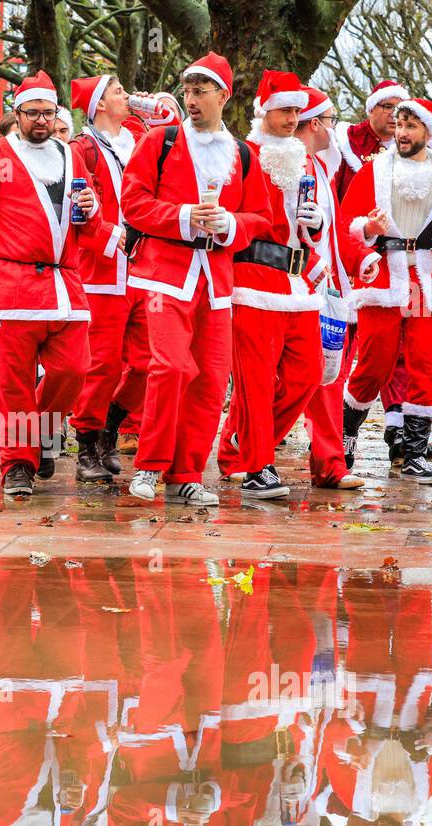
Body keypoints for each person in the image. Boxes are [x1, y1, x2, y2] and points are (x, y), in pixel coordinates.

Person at [121, 53, 271, 505]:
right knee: (168, 366)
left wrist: (229, 223)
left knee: (210, 377)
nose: (191, 99)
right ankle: (149, 465)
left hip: (217, 278)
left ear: (224, 96)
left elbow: (260, 217)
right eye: (187, 91)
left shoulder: (244, 153)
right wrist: (184, 216)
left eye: (201, 91)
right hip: (166, 273)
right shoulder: (159, 142)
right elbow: (133, 203)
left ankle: (186, 473)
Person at [0, 71, 107, 497]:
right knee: (13, 383)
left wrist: (92, 209)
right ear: (16, 114)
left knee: (74, 370)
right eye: (32, 113)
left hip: (66, 282)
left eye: (48, 113)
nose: (40, 121)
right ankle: (17, 464)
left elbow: (87, 226)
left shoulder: (72, 156)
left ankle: (44, 433)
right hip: (11, 284)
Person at [336, 98, 432, 484]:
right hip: (382, 280)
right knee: (374, 364)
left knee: (426, 367)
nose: (403, 133)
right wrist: (367, 230)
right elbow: (345, 225)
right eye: (399, 125)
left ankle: (414, 453)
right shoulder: (372, 172)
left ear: (429, 132)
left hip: (427, 281)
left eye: (411, 126)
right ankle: (346, 432)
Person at [215, 71, 325, 499]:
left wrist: (314, 228)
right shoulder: (241, 154)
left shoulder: (304, 158)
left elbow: (306, 224)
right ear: (264, 111)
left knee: (307, 374)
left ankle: (243, 443)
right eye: (285, 110)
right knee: (255, 382)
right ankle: (259, 465)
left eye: (297, 110)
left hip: (297, 282)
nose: (293, 118)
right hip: (252, 278)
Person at [68, 72, 151, 483]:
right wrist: (111, 233)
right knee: (101, 364)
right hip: (102, 272)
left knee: (148, 361)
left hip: (143, 270)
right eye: (119, 91)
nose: (128, 96)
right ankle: (87, 444)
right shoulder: (81, 148)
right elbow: (76, 211)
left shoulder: (136, 140)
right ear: (100, 103)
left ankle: (111, 426)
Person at [294, 84, 364, 491]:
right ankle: (241, 450)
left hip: (327, 288)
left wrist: (354, 262)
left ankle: (329, 463)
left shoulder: (320, 167)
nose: (336, 128)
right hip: (303, 285)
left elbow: (332, 233)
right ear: (317, 122)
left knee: (326, 378)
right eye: (332, 119)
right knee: (301, 378)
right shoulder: (299, 166)